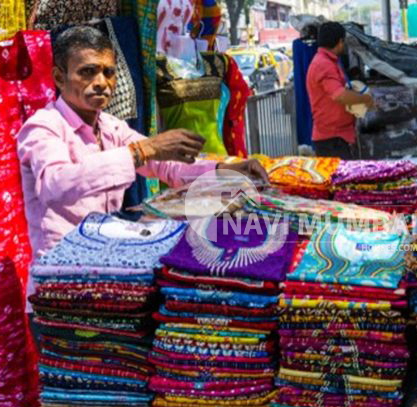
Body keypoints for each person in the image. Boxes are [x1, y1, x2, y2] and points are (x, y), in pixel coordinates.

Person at [16, 26, 269, 260]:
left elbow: (169, 169)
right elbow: (56, 184)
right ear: (60, 78)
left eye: (108, 72)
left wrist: (225, 171)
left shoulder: (110, 127)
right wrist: (143, 150)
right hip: (61, 267)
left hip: (105, 257)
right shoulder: (43, 127)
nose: (102, 82)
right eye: (87, 72)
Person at [306, 21, 374, 159]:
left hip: (338, 136)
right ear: (340, 42)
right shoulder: (323, 64)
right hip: (331, 139)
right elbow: (340, 95)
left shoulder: (329, 61)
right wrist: (365, 100)